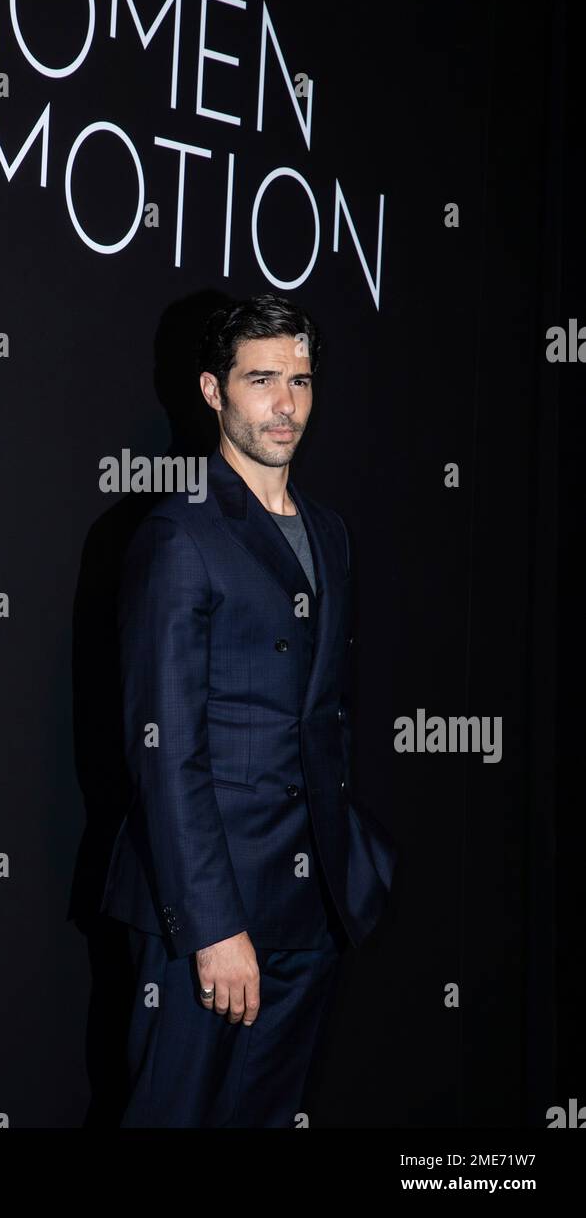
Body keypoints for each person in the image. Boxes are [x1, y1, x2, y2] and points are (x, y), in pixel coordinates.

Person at [99, 292, 397, 1128]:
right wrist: (213, 927)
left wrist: (354, 864)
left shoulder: (329, 531)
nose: (285, 403)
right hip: (206, 909)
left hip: (312, 904)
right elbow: (166, 749)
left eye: (300, 381)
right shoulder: (179, 536)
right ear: (211, 390)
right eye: (261, 379)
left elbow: (323, 713)